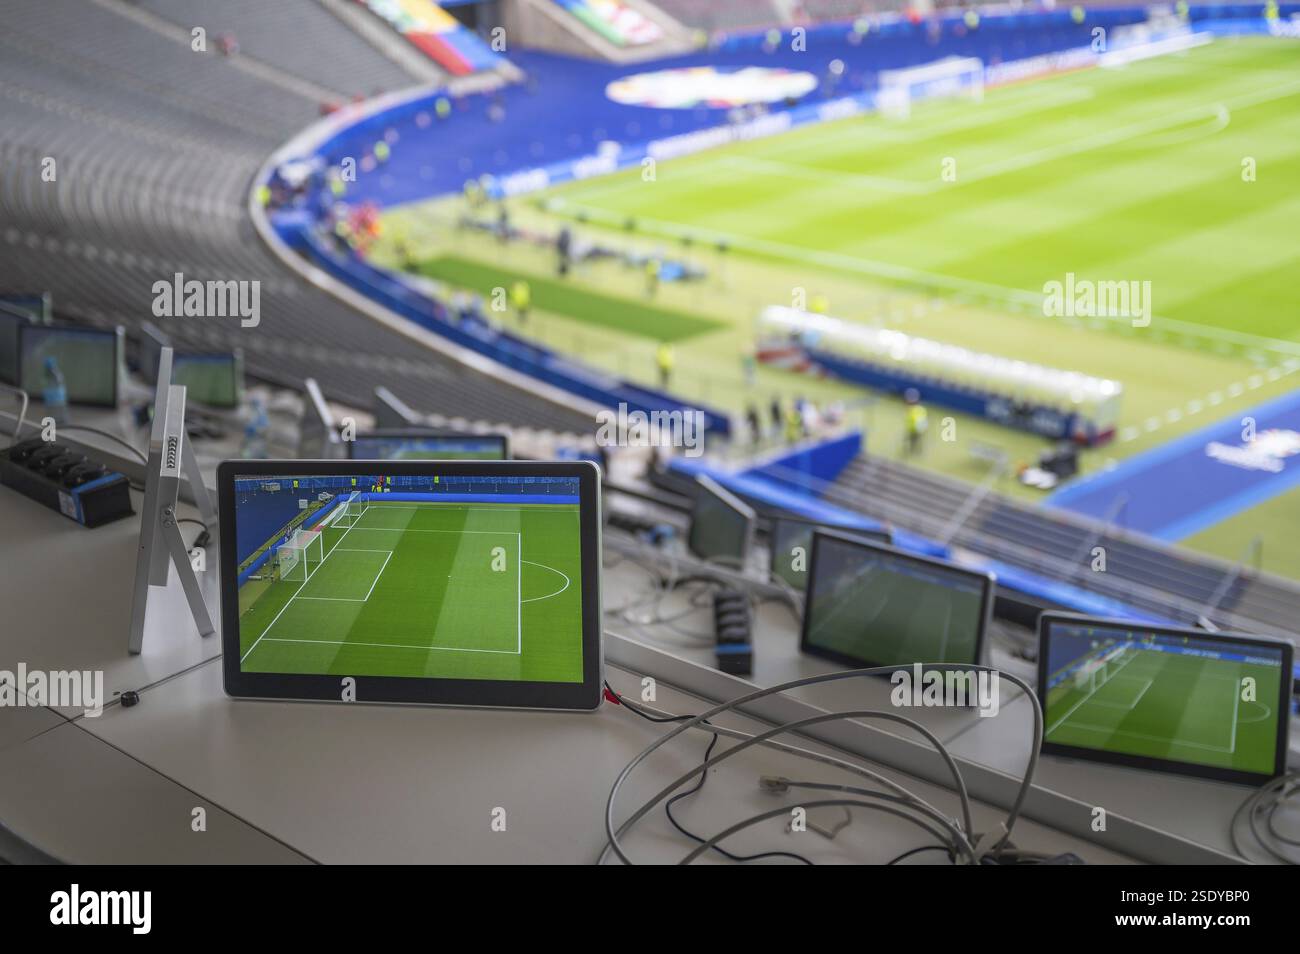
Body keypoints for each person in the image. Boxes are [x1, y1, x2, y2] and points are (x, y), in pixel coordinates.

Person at [903, 388, 928, 457]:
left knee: (913, 441)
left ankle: (915, 451)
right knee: (912, 441)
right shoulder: (916, 409)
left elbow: (921, 420)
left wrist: (920, 428)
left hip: (915, 429)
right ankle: (913, 451)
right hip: (913, 429)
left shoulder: (917, 409)